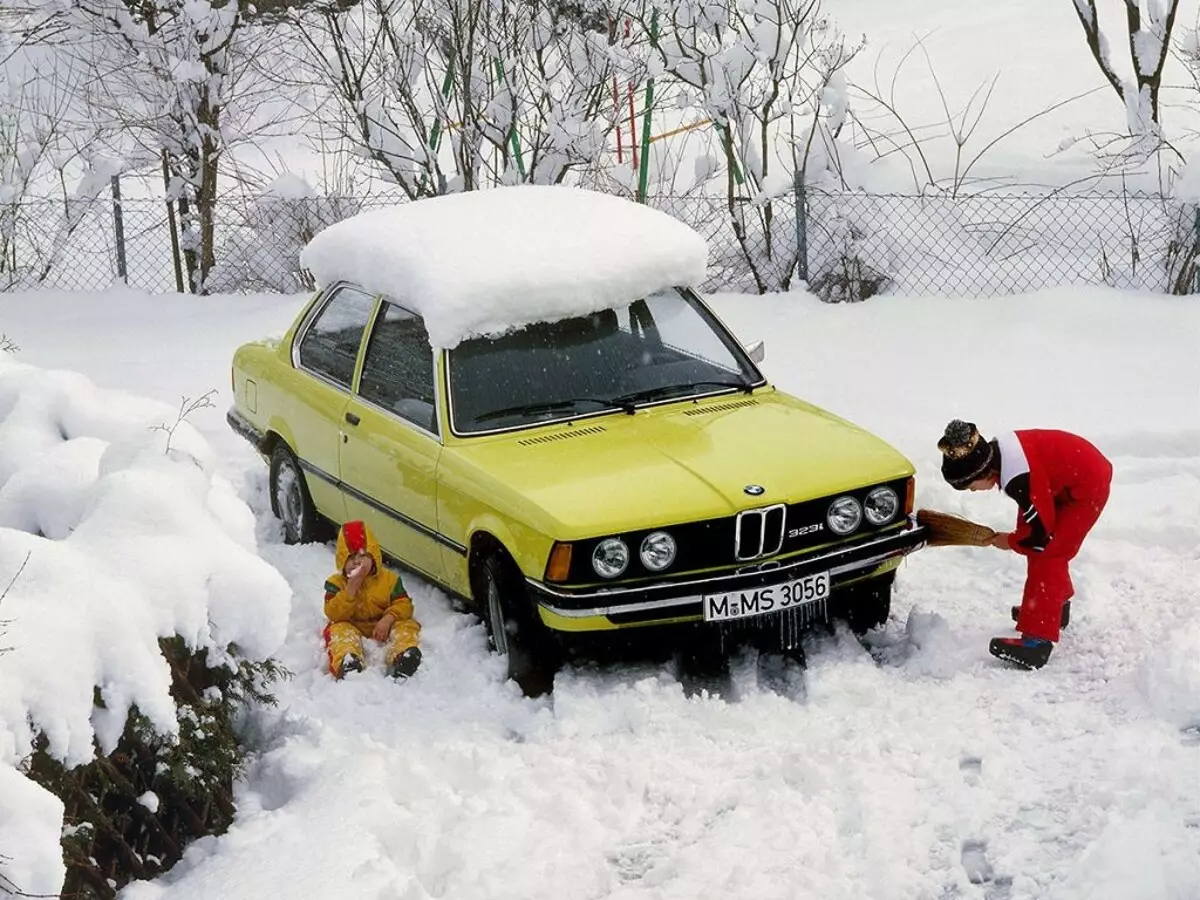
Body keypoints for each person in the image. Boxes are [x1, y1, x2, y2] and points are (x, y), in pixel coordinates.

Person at [937, 419, 1112, 670]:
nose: (972, 492)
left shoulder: (1020, 479)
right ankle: (1052, 609)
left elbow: (1039, 535)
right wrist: (1019, 538)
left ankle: (1037, 643)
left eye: (969, 487)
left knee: (1048, 554)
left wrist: (1009, 540)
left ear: (981, 473)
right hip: (1059, 482)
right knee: (1039, 547)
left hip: (1086, 486)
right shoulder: (1000, 457)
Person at [323, 520, 422, 679]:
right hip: (353, 626)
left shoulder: (389, 579)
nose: (356, 562)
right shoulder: (335, 583)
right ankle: (349, 660)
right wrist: (350, 590)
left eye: (362, 555)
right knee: (338, 630)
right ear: (342, 560)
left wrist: (388, 619)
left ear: (373, 556)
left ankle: (403, 656)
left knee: (406, 625)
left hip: (385, 624)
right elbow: (333, 614)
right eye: (350, 558)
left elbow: (404, 604)